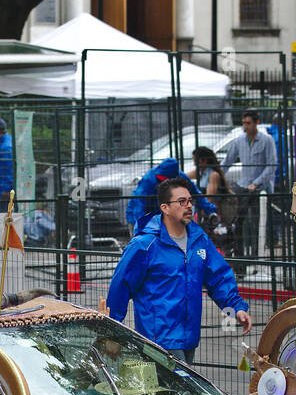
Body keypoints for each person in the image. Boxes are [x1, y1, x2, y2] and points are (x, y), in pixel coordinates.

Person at [106, 177, 251, 363]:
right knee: (178, 390)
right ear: (165, 207)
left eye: (190, 201)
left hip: (189, 338)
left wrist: (236, 308)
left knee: (180, 391)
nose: (189, 206)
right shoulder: (144, 245)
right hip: (159, 340)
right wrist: (112, 332)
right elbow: (120, 287)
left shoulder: (199, 240)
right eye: (181, 202)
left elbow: (219, 278)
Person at [222, 110, 278, 275]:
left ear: (256, 122)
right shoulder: (239, 141)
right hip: (243, 188)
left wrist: (257, 183)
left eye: (249, 123)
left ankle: (255, 262)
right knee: (238, 224)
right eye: (244, 123)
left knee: (256, 226)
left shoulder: (267, 140)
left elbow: (272, 165)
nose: (245, 126)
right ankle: (241, 266)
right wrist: (217, 177)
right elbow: (227, 161)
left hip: (259, 190)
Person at [126, 157, 216, 235]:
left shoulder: (182, 177)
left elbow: (196, 194)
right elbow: (139, 205)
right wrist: (141, 227)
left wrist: (211, 210)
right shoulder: (149, 180)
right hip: (140, 216)